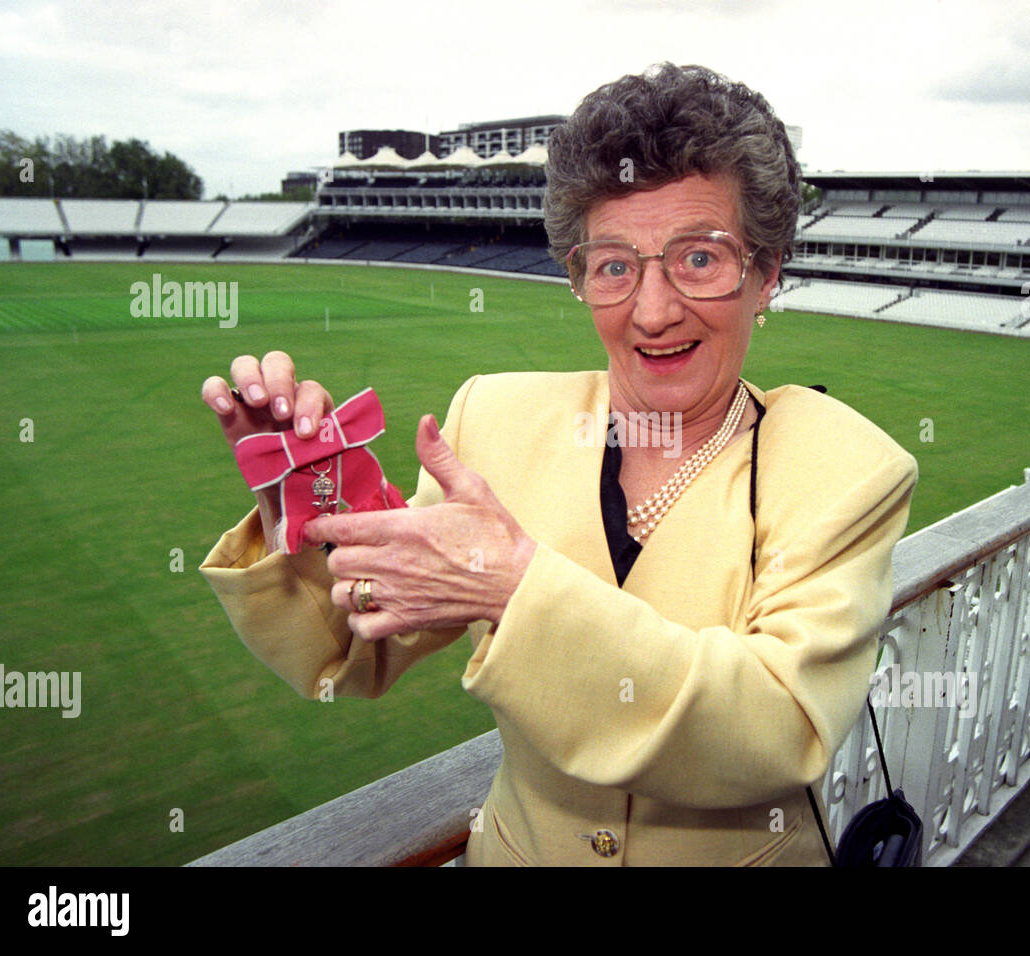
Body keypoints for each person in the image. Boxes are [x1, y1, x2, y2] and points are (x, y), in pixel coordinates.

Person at [199, 63, 917, 866]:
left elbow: (778, 728)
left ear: (767, 272)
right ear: (578, 275)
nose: (652, 309)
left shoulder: (845, 468)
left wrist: (515, 587)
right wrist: (308, 502)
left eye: (701, 259)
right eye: (614, 265)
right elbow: (353, 651)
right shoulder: (493, 421)